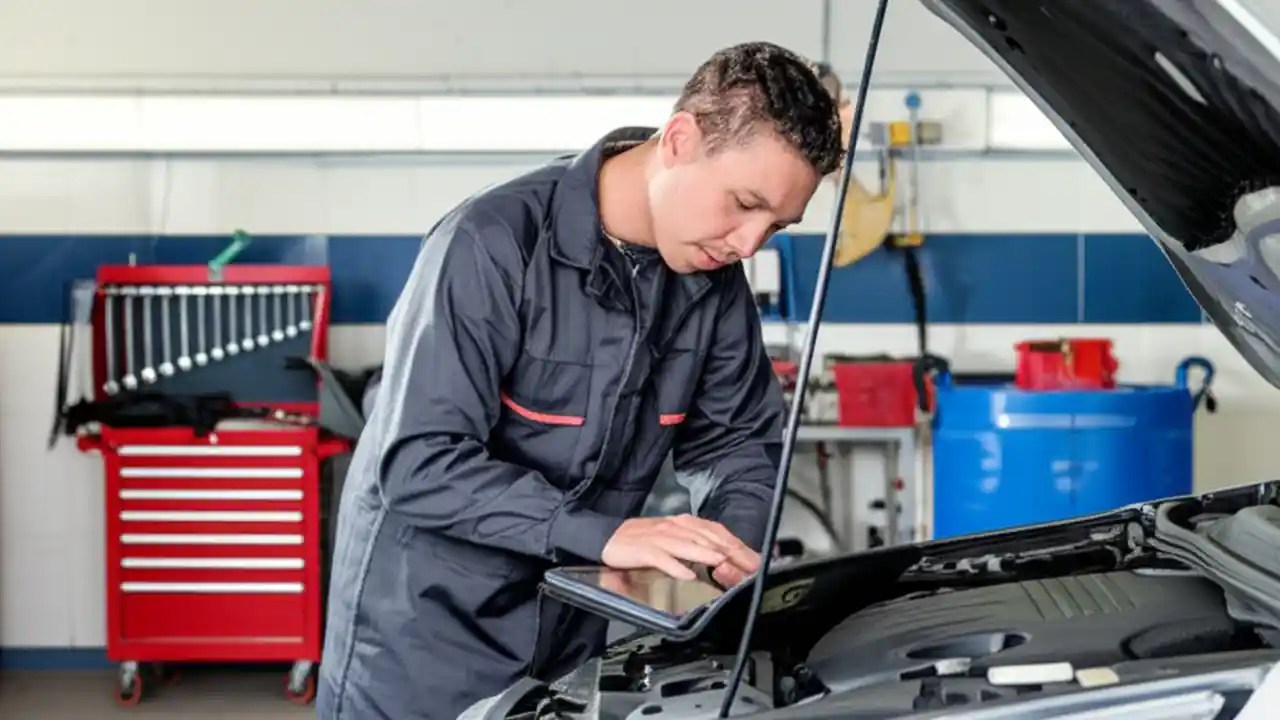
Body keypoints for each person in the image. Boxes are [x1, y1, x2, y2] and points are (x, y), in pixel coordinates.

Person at [316, 41, 844, 720]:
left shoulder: (713, 286)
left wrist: (729, 556)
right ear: (680, 139)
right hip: (420, 651)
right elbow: (419, 463)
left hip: (568, 641)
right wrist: (605, 535)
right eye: (744, 203)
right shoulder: (491, 245)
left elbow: (736, 446)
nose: (749, 244)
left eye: (777, 225)